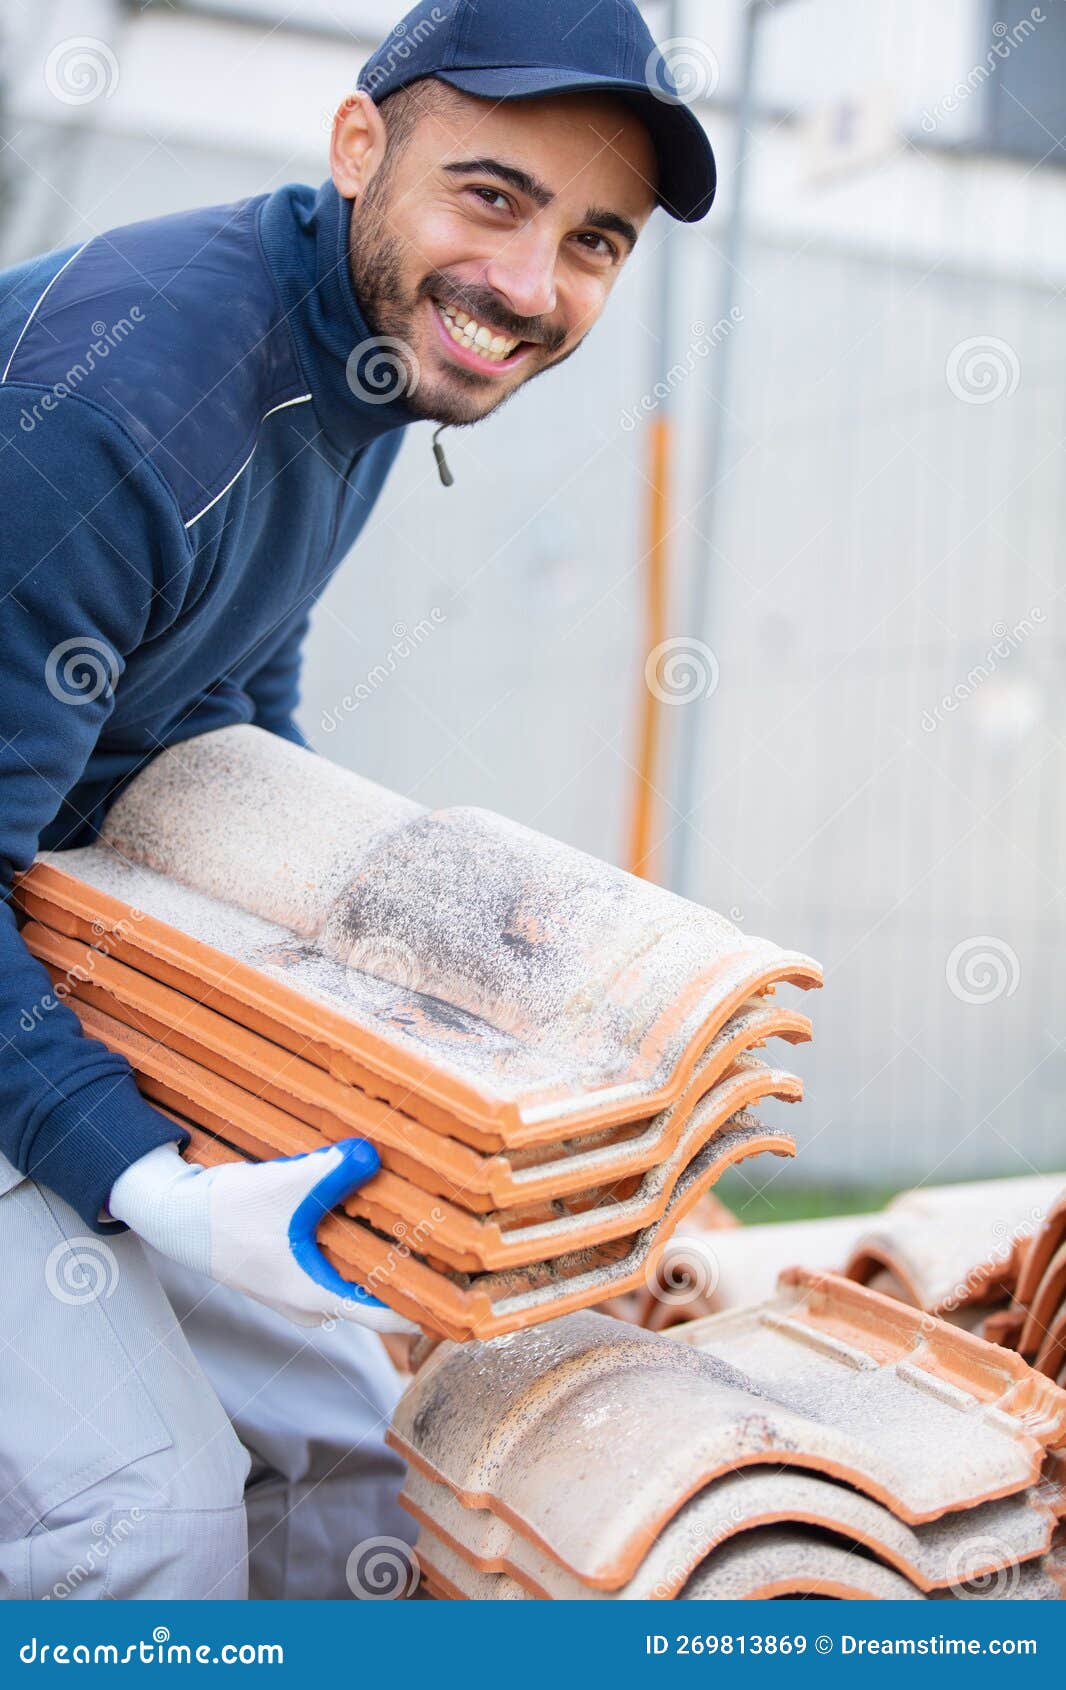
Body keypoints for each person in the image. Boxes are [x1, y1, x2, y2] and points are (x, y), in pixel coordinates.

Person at [0, 0, 715, 1599]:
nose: (529, 289)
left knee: (357, 1453)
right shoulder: (132, 402)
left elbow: (226, 713)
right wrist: (136, 1173)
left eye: (592, 241)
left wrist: (384, 1016)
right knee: (141, 1518)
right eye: (493, 196)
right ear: (356, 147)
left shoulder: (367, 363)